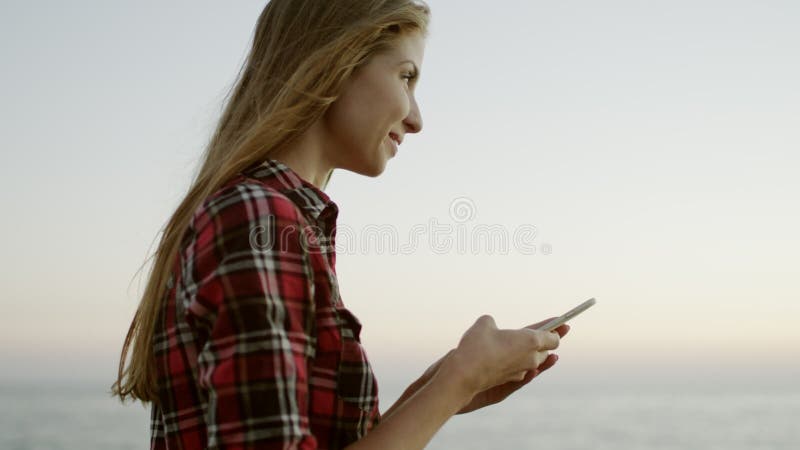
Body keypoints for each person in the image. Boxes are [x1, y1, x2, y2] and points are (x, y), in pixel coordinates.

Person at [111, 1, 570, 449]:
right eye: (406, 77)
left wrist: (449, 393)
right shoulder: (258, 219)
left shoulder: (280, 221)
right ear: (338, 59)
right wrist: (458, 379)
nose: (416, 119)